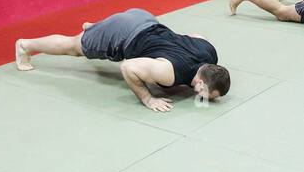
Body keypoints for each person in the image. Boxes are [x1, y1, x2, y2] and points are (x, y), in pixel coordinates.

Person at [15, 9, 230, 112]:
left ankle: (95, 30)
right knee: (73, 47)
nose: (204, 99)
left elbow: (194, 36)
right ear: (200, 82)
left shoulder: (208, 51)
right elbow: (128, 67)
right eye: (207, 95)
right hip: (123, 35)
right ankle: (26, 45)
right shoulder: (170, 73)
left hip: (144, 18)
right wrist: (148, 99)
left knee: (93, 35)